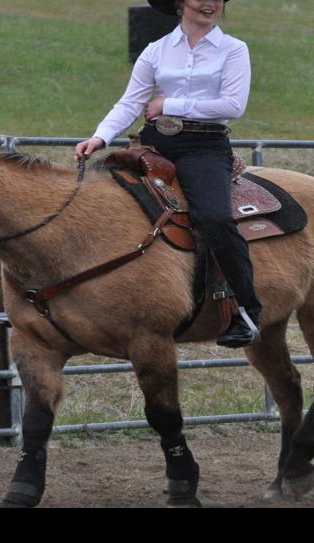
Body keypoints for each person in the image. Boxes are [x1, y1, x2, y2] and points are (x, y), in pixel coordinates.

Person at [75, 0, 262, 348]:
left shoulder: (234, 49)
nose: (210, 3)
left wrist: (168, 104)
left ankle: (245, 310)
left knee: (214, 217)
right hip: (154, 143)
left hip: (204, 147)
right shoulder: (156, 50)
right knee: (102, 202)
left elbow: (233, 105)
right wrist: (100, 136)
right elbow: (131, 102)